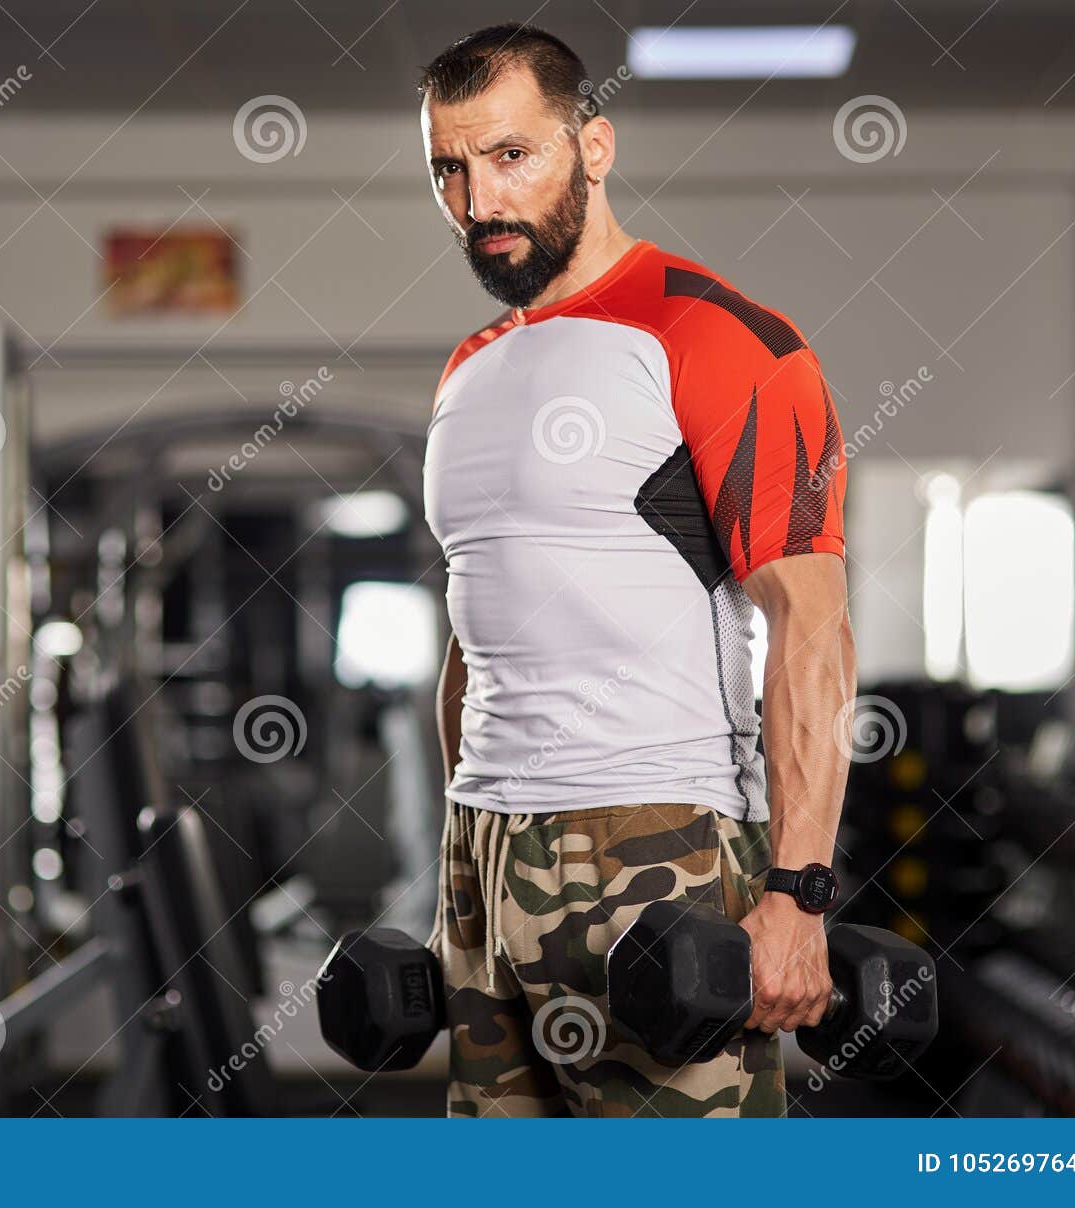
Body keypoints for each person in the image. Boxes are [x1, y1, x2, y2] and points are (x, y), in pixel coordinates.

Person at [418, 24, 855, 1117]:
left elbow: (812, 623)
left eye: (510, 155)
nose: (478, 201)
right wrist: (458, 872)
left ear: (594, 147)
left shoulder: (712, 334)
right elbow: (473, 630)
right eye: (449, 168)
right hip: (484, 847)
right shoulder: (469, 369)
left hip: (654, 835)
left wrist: (799, 893)